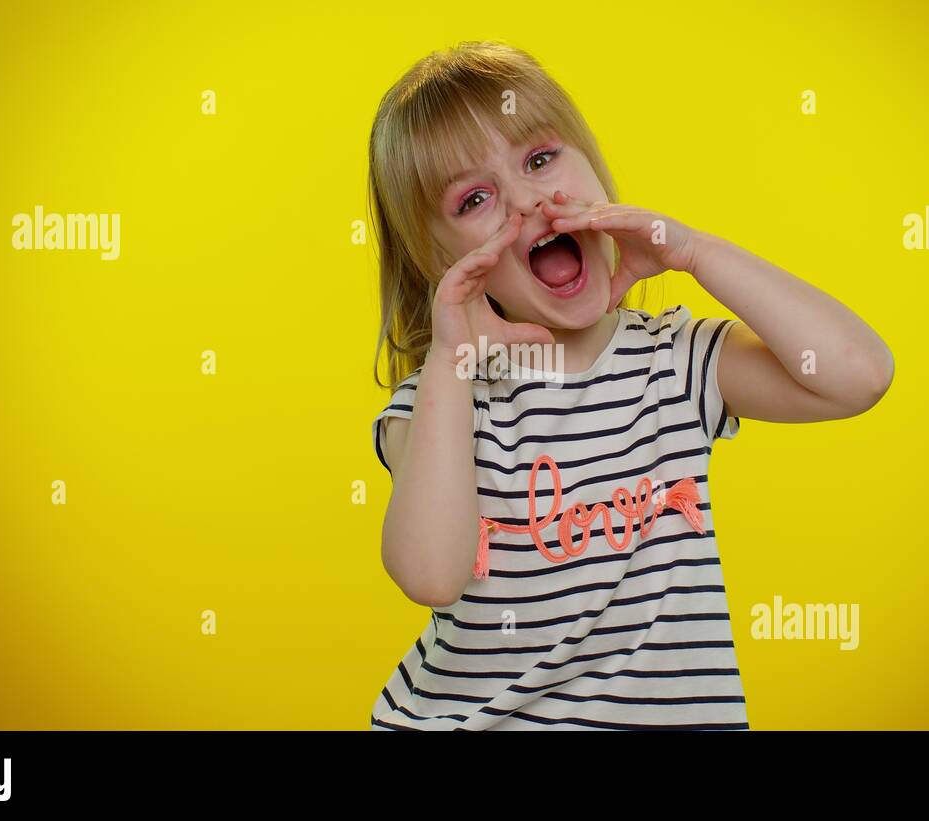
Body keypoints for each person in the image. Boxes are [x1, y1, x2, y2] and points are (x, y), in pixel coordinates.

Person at [366, 41, 894, 730]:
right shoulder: (439, 400)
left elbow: (859, 375)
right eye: (474, 198)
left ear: (592, 168)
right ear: (442, 261)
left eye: (539, 159)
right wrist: (451, 364)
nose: (528, 200)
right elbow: (431, 573)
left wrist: (697, 253)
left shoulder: (676, 359)